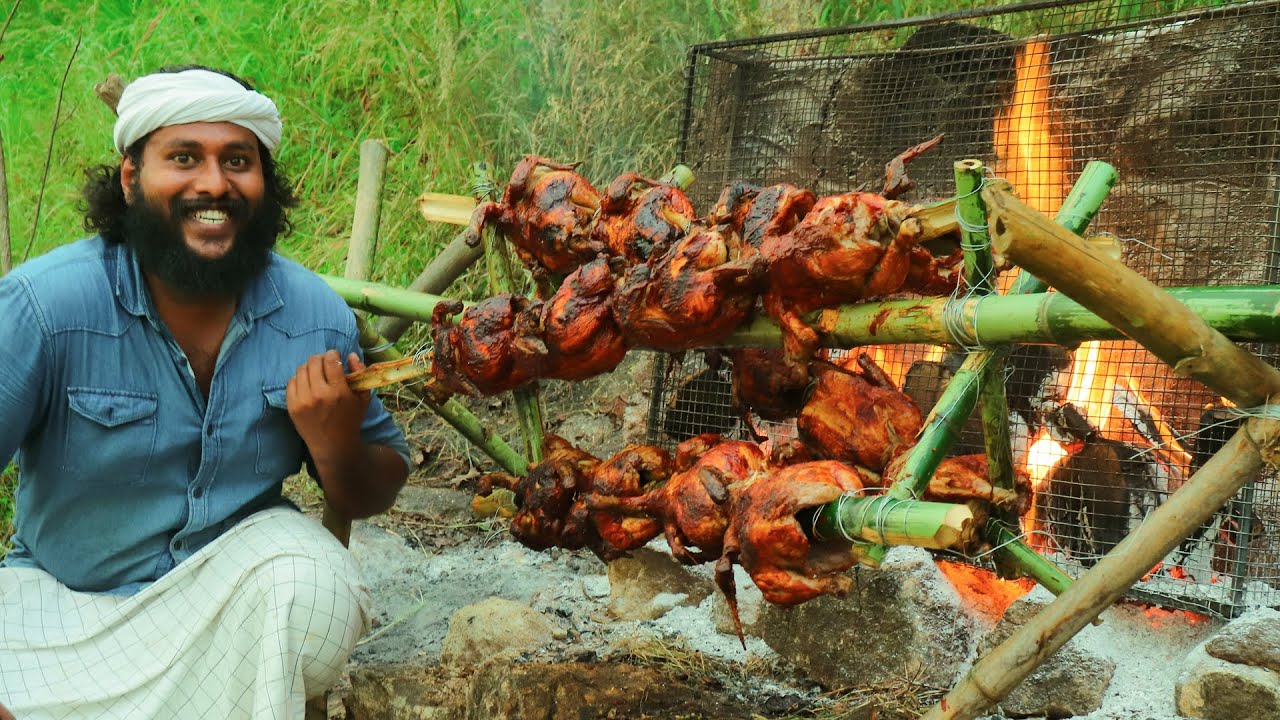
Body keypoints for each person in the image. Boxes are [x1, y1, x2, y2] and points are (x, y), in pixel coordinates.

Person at [0, 65, 410, 718]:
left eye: (238, 161)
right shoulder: (44, 306)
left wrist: (334, 445)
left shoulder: (311, 316)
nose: (214, 183)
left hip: (229, 598)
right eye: (183, 158)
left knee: (315, 591)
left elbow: (376, 485)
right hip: (64, 611)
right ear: (133, 179)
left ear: (263, 182)